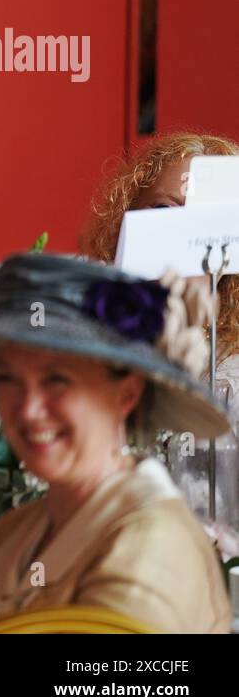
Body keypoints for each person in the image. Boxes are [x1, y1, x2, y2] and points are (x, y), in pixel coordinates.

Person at [0, 252, 232, 633]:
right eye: (8, 380)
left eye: (57, 380)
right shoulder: (17, 533)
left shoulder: (155, 547)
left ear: (127, 394)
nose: (29, 410)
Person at [81, 131, 239, 527]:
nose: (181, 234)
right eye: (164, 212)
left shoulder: (230, 373)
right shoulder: (84, 340)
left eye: (201, 219)